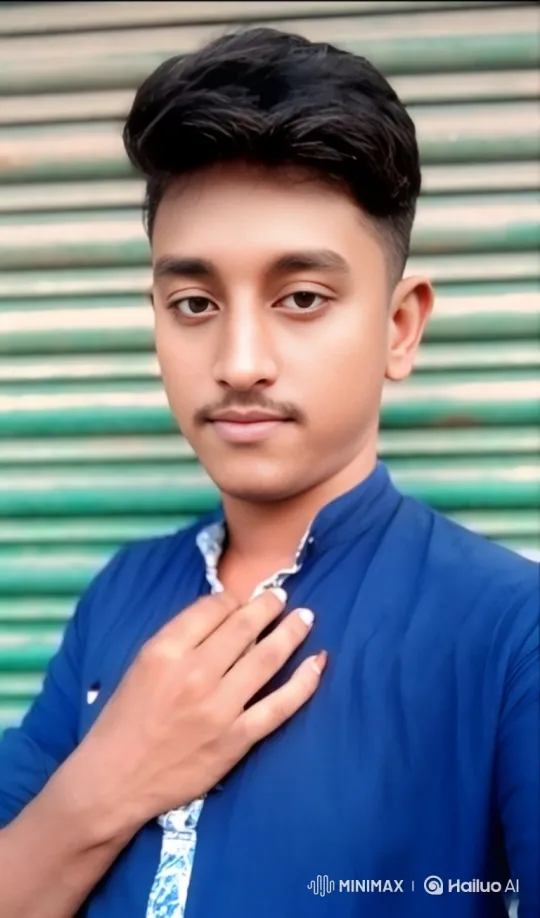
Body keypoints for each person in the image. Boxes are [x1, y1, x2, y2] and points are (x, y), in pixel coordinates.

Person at [0, 25, 537, 918]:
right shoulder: (122, 594)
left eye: (301, 298)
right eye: (195, 303)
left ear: (400, 327)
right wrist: (108, 781)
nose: (240, 359)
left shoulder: (509, 630)